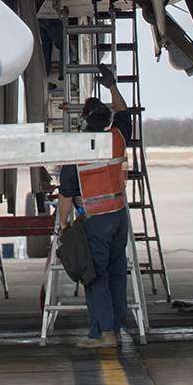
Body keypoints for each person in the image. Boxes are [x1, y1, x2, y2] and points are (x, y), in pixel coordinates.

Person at [59, 81, 135, 351]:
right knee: (117, 274)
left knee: (95, 276)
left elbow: (66, 194)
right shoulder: (117, 137)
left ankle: (102, 333)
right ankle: (114, 329)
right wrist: (113, 86)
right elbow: (125, 113)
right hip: (118, 217)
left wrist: (63, 226)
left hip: (95, 220)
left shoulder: (77, 149)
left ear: (83, 122)